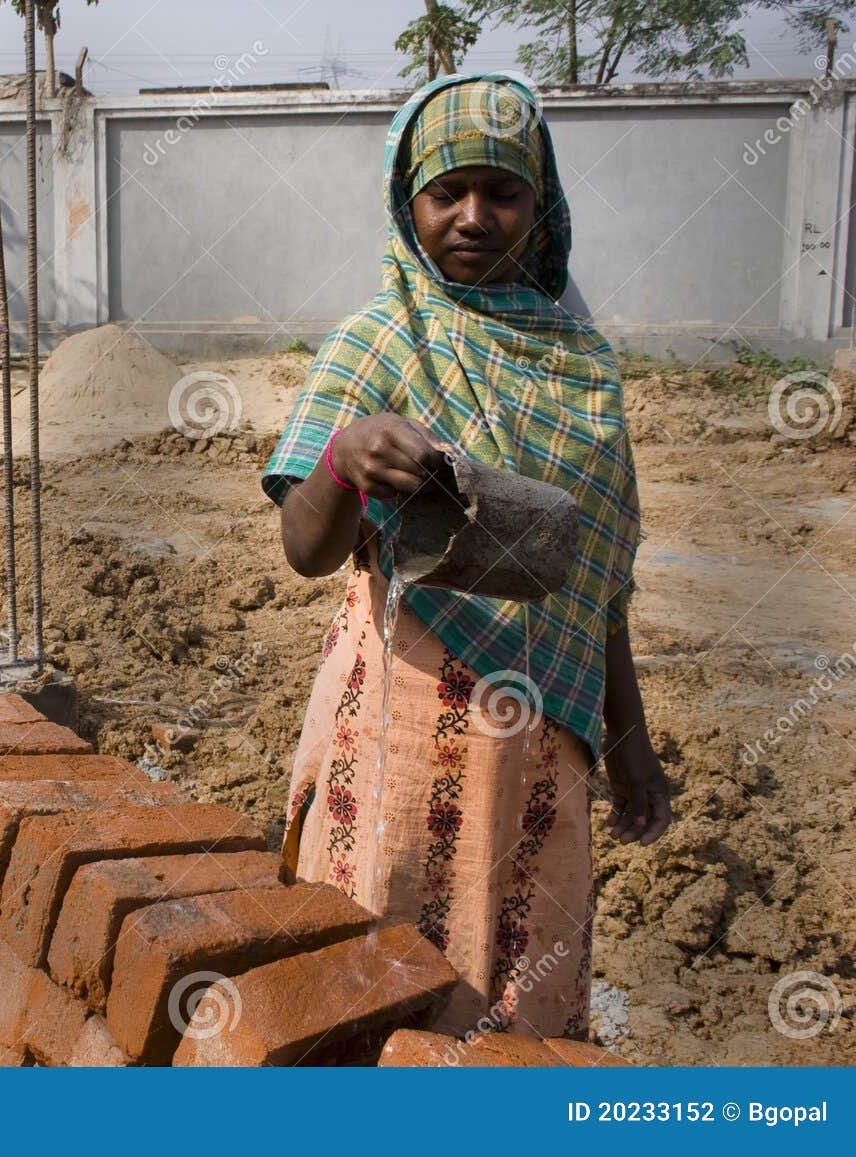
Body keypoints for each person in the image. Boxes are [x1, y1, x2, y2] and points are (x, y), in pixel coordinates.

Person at [263, 74, 668, 1040]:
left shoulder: (584, 367)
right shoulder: (378, 340)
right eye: (448, 192)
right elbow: (304, 550)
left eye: (504, 192)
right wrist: (344, 456)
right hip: (404, 721)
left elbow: (597, 576)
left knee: (516, 989)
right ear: (411, 203)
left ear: (543, 203)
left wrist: (631, 737)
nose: (475, 217)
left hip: (539, 744)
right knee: (373, 960)